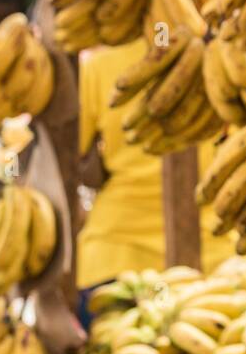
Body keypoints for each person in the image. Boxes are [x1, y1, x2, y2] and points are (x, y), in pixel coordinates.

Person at [75, 37, 232, 293]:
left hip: (115, 255)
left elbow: (73, 159)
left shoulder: (98, 66)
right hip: (213, 259)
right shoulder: (221, 60)